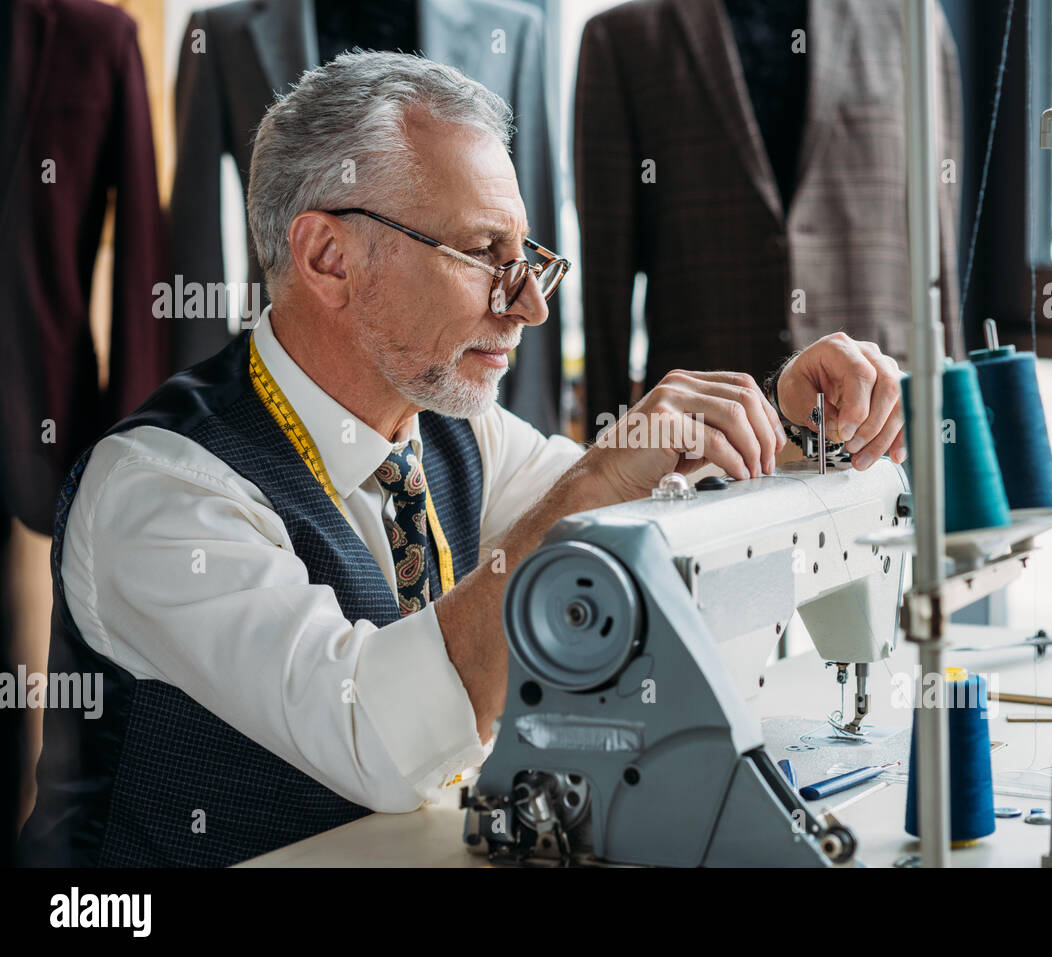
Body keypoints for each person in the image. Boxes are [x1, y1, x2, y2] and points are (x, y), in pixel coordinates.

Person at [19, 52, 905, 867]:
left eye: (529, 260)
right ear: (327, 257)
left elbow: (644, 521)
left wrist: (793, 433)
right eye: (486, 255)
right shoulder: (163, 488)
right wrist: (599, 475)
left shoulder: (450, 429)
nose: (528, 306)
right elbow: (373, 735)